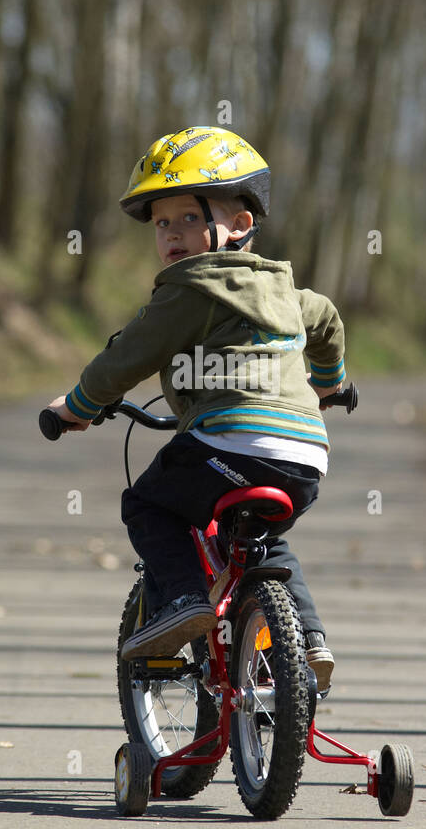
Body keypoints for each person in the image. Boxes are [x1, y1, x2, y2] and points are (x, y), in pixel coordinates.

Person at [47, 126, 346, 693]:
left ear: (239, 225)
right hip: (306, 455)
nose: (172, 236)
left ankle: (181, 603)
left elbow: (126, 358)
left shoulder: (189, 288)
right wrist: (327, 387)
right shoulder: (283, 290)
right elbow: (326, 317)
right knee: (266, 545)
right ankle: (307, 641)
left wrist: (77, 407)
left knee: (150, 506)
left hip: (228, 442)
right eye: (162, 223)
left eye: (188, 218)